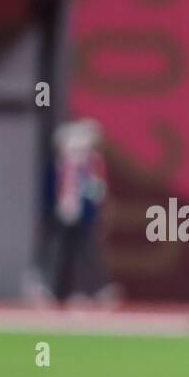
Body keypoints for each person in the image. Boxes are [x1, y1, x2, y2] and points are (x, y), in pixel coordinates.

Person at [42, 118, 112, 304]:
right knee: (59, 254)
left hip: (84, 218)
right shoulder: (57, 167)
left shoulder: (90, 168)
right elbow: (49, 193)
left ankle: (90, 289)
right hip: (61, 217)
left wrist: (96, 206)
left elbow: (95, 192)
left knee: (87, 254)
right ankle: (54, 291)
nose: (78, 154)